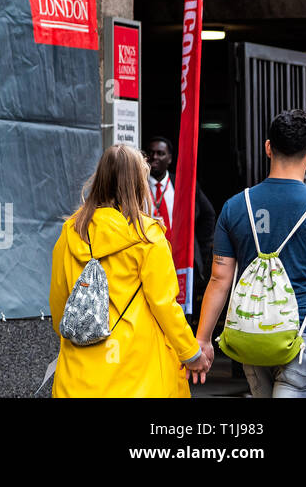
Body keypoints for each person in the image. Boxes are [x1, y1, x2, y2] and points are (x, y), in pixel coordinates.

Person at [49, 144, 202, 397]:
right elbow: (164, 305)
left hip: (78, 372)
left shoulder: (70, 232)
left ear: (100, 180)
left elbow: (58, 303)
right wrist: (191, 352)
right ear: (138, 184)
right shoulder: (148, 235)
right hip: (138, 370)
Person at [190, 110, 306, 396]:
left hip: (253, 337)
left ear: (268, 147)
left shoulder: (236, 206)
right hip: (304, 336)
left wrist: (203, 339)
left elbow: (220, 279)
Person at [145, 134, 216, 313]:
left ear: (169, 158)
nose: (154, 157)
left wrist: (200, 249)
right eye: (151, 153)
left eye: (160, 153)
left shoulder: (183, 184)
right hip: (149, 262)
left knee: (181, 311)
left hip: (179, 261)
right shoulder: (138, 185)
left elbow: (208, 215)